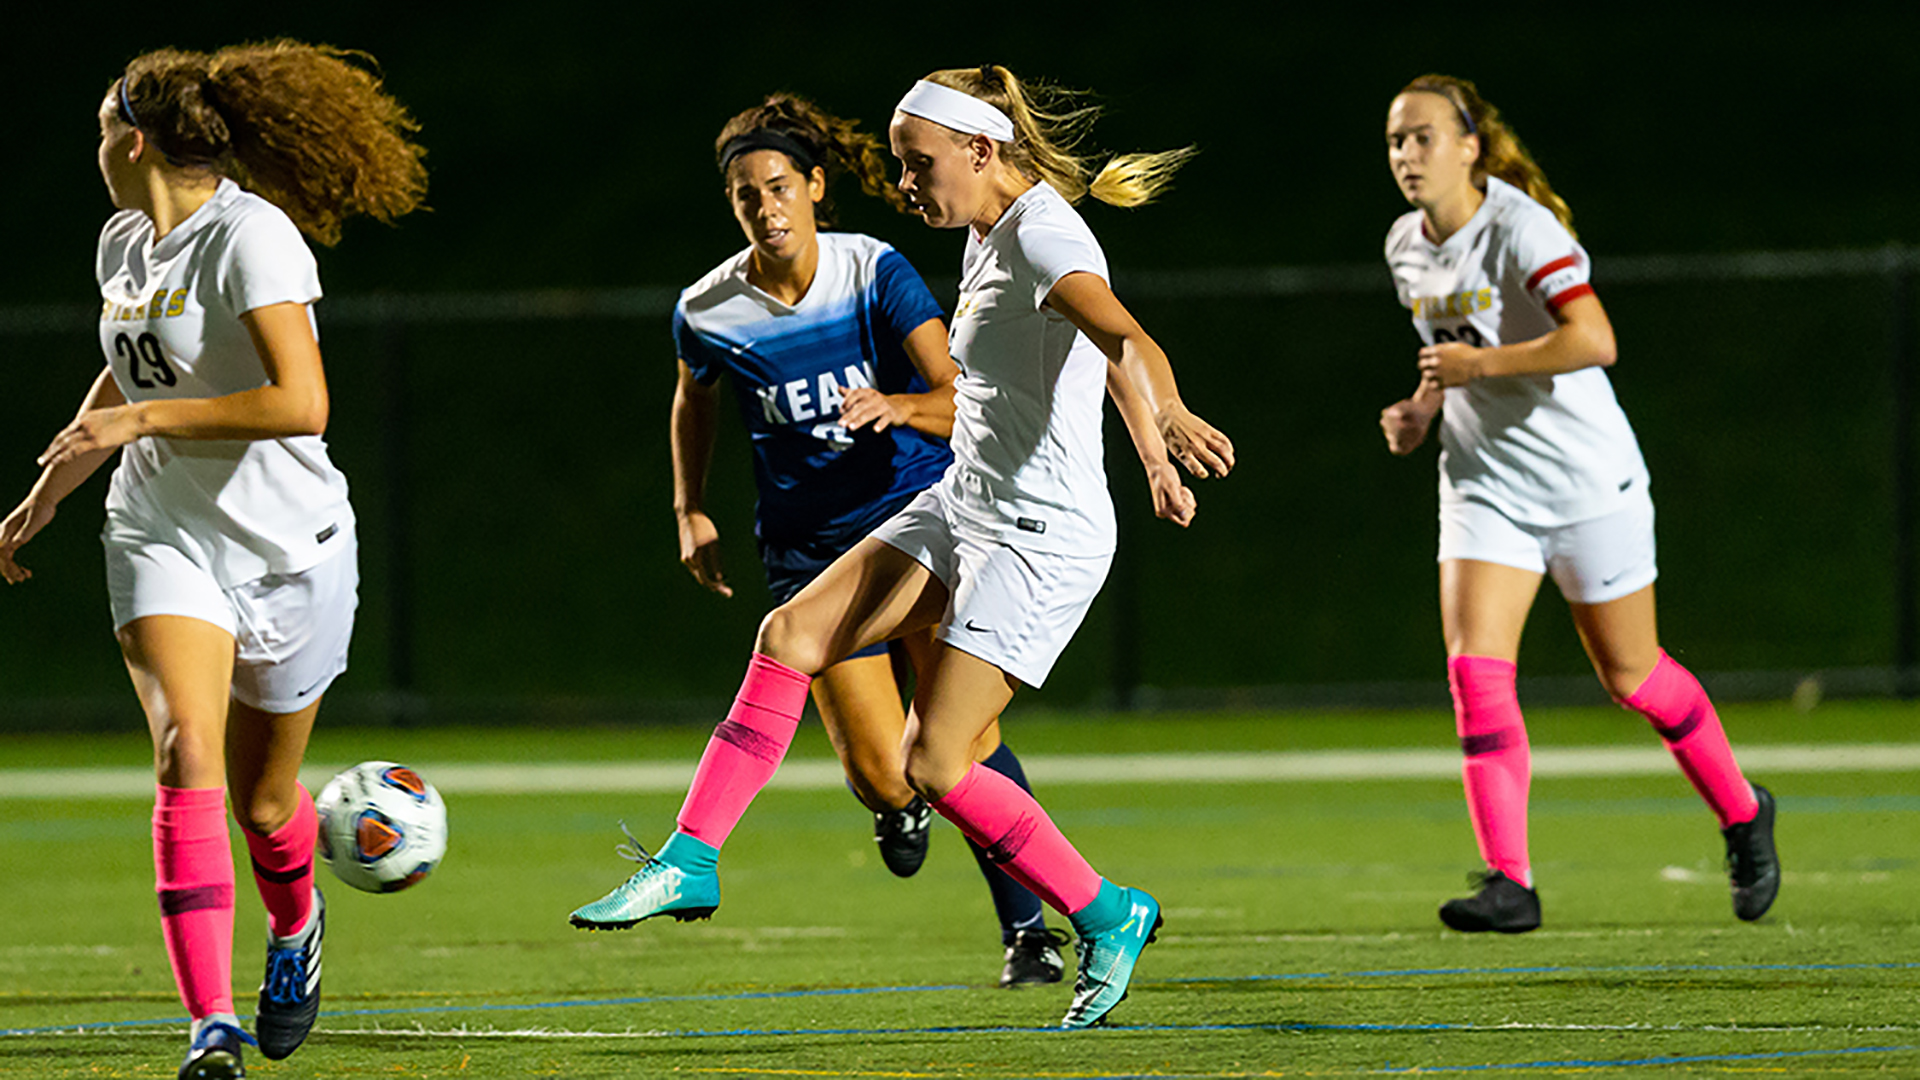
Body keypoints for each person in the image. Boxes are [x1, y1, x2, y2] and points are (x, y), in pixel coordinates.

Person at [570, 64, 1233, 1029]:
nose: (906, 182)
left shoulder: (1044, 232)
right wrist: (1147, 450)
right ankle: (690, 859)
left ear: (980, 148)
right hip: (965, 500)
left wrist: (1165, 412)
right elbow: (1086, 363)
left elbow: (1121, 337)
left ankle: (1106, 911)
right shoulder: (988, 228)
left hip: (1038, 539)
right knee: (789, 634)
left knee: (934, 764)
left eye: (917, 163)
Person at [0, 42, 426, 1079]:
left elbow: (301, 403)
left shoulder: (253, 237)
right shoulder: (122, 242)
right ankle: (212, 1028)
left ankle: (296, 927)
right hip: (163, 534)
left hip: (291, 548)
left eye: (103, 126)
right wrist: (46, 491)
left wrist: (142, 418)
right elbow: (123, 378)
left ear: (134, 138)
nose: (94, 144)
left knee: (268, 809)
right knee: (184, 755)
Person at [667, 91, 1070, 986]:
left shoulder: (872, 270)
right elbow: (693, 399)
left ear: (814, 185)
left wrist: (899, 408)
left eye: (779, 185)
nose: (766, 207)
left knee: (963, 743)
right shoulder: (707, 308)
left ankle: (1029, 931)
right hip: (813, 555)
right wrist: (691, 506)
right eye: (746, 196)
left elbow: (961, 394)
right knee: (891, 776)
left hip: (919, 528)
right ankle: (895, 809)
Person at [1376, 74, 1779, 934]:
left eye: (1423, 137)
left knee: (1633, 677)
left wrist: (1476, 371)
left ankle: (1744, 813)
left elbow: (1595, 338)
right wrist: (1422, 410)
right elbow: (1452, 351)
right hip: (1485, 483)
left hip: (1587, 481)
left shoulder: (1521, 227)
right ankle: (1510, 882)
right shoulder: (1404, 244)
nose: (1408, 156)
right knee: (1475, 672)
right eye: (1395, 142)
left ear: (1470, 145)